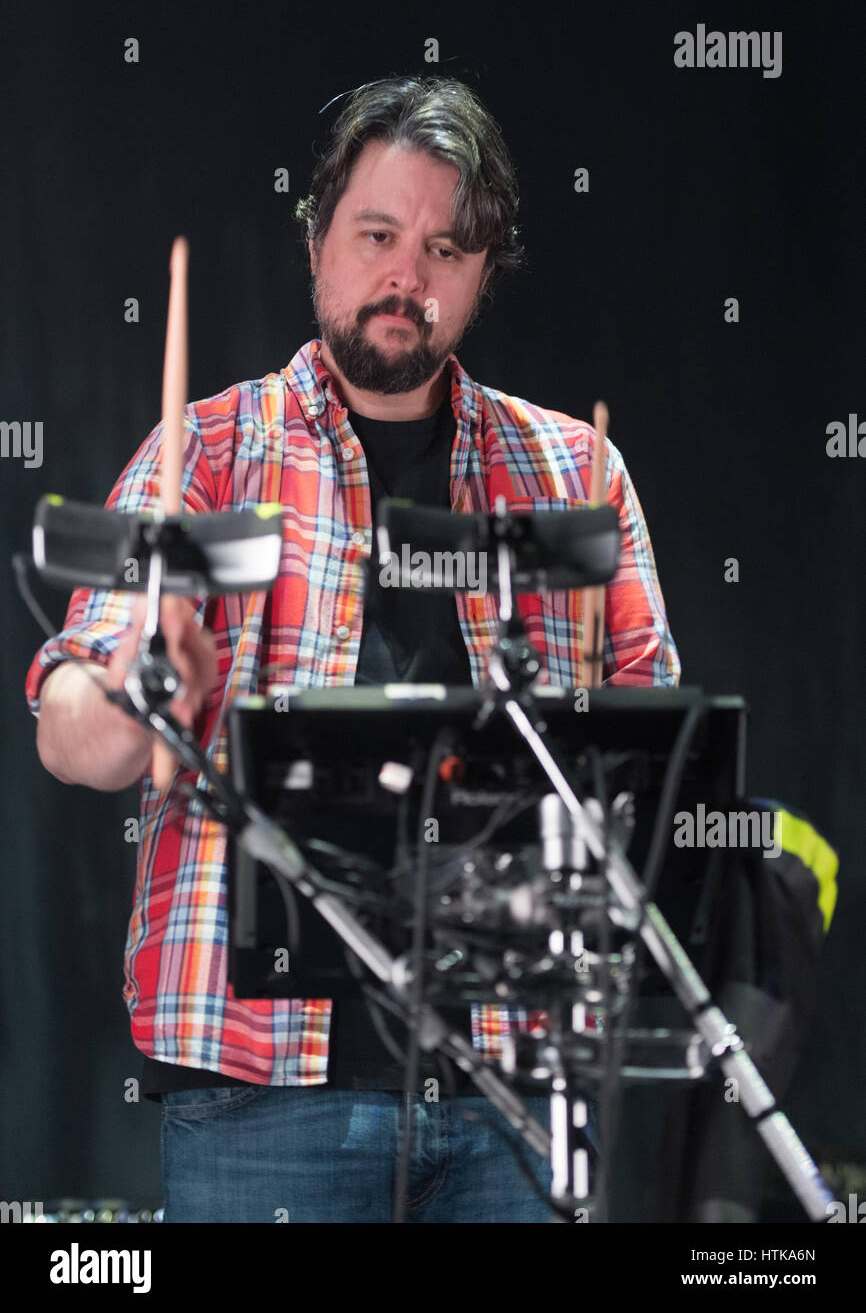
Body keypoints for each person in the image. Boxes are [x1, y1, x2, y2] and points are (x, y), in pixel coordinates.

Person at [27, 75, 681, 1223]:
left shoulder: (571, 475)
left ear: (483, 273)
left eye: (443, 249)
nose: (405, 277)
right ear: (316, 237)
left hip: (511, 1086)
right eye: (376, 234)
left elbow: (656, 758)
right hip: (260, 1088)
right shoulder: (212, 455)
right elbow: (71, 737)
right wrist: (144, 683)